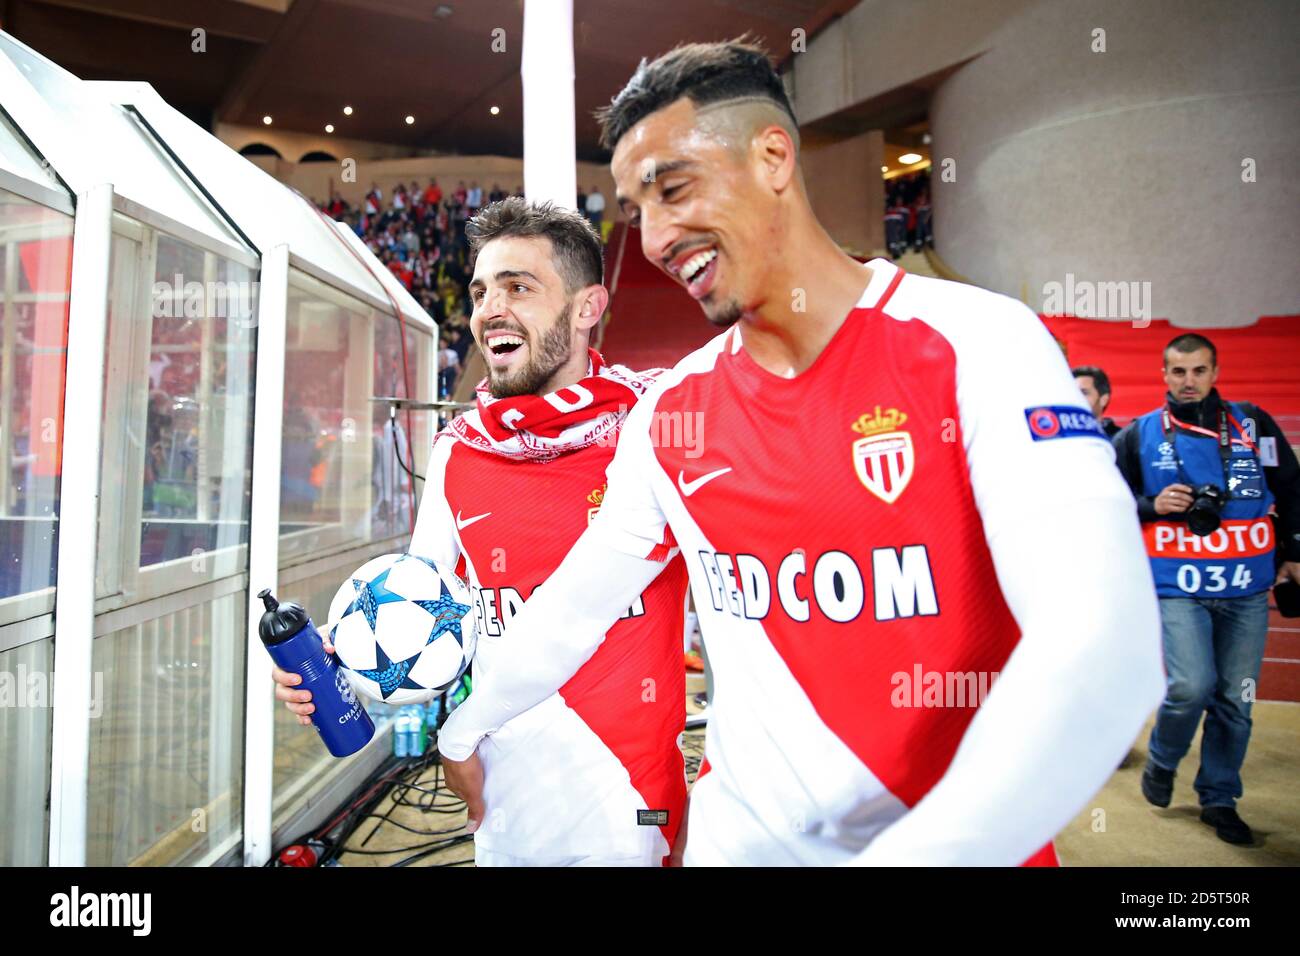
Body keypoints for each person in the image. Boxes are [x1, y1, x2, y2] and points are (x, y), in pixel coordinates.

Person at [436, 38, 1165, 866]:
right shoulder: (673, 412)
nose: (659, 236)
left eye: (675, 188)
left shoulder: (981, 343)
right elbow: (572, 609)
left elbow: (1106, 651)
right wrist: (467, 723)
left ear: (773, 157)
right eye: (639, 212)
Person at [274, 199, 690, 867]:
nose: (488, 308)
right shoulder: (457, 451)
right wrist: (343, 662)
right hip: (500, 806)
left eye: (518, 287)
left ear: (587, 308)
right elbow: (422, 627)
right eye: (479, 290)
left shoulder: (655, 426)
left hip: (629, 808)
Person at [1111, 332, 1300, 845]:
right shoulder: (1140, 434)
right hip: (1179, 589)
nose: (1188, 381)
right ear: (1164, 375)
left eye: (1198, 371)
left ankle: (1219, 796)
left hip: (1246, 591)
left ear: (1214, 373)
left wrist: (1297, 552)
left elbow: (1291, 487)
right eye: (1178, 371)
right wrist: (1152, 505)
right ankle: (1164, 760)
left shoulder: (1253, 424)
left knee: (1236, 700)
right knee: (1191, 686)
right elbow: (1104, 499)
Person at [1073, 365, 1120, 437]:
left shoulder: (1121, 440)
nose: (1076, 398)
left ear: (1103, 400)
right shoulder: (1057, 437)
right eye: (1073, 393)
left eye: (1084, 393)